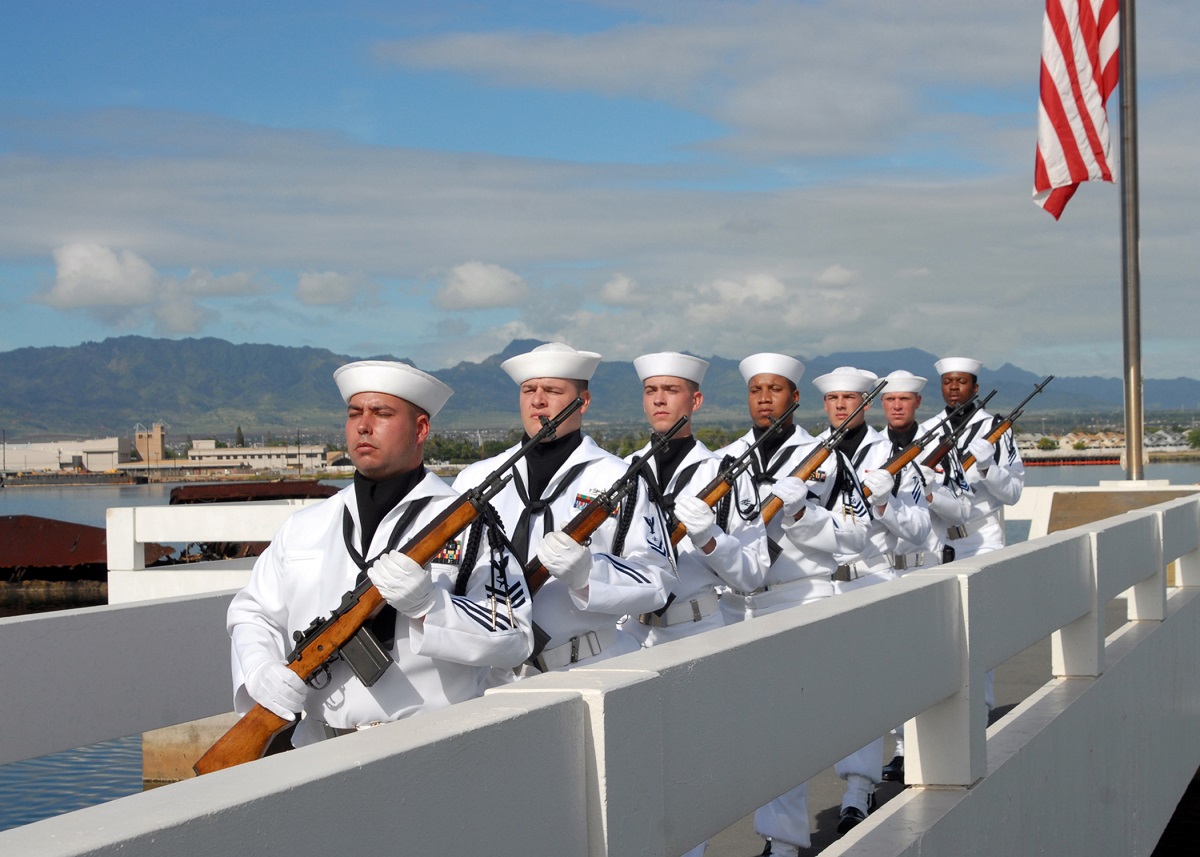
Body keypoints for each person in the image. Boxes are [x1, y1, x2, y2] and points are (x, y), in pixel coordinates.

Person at [226, 360, 534, 748]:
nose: (363, 426)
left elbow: (515, 635)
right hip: (316, 750)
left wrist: (430, 608)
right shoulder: (306, 525)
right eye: (355, 413)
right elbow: (253, 613)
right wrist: (259, 668)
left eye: (382, 414)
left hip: (429, 748)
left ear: (421, 429)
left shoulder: (469, 525)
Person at [716, 356, 873, 857]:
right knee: (761, 733)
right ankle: (778, 839)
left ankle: (831, 809)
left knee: (797, 724)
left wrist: (804, 513)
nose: (764, 397)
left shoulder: (826, 457)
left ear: (795, 398)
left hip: (800, 598)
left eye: (776, 389)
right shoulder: (725, 460)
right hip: (737, 607)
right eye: (756, 389)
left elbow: (855, 537)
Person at [452, 342, 671, 673]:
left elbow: (658, 578)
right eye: (529, 390)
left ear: (582, 402)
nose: (538, 400)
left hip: (589, 666)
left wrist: (588, 573)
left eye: (552, 390)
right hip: (493, 678)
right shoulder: (476, 479)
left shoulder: (618, 478)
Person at [625, 351, 768, 646]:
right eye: (651, 390)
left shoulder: (723, 473)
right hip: (631, 633)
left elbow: (752, 576)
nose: (659, 399)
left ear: (696, 400)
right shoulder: (623, 472)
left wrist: (710, 540)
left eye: (671, 390)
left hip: (698, 628)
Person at [918, 357, 1025, 710]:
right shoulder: (929, 429)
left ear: (975, 388)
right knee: (944, 632)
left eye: (960, 382)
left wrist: (988, 466)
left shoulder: (995, 428)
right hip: (941, 541)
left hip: (982, 538)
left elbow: (1012, 493)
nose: (953, 388)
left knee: (980, 629)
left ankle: (983, 709)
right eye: (948, 381)